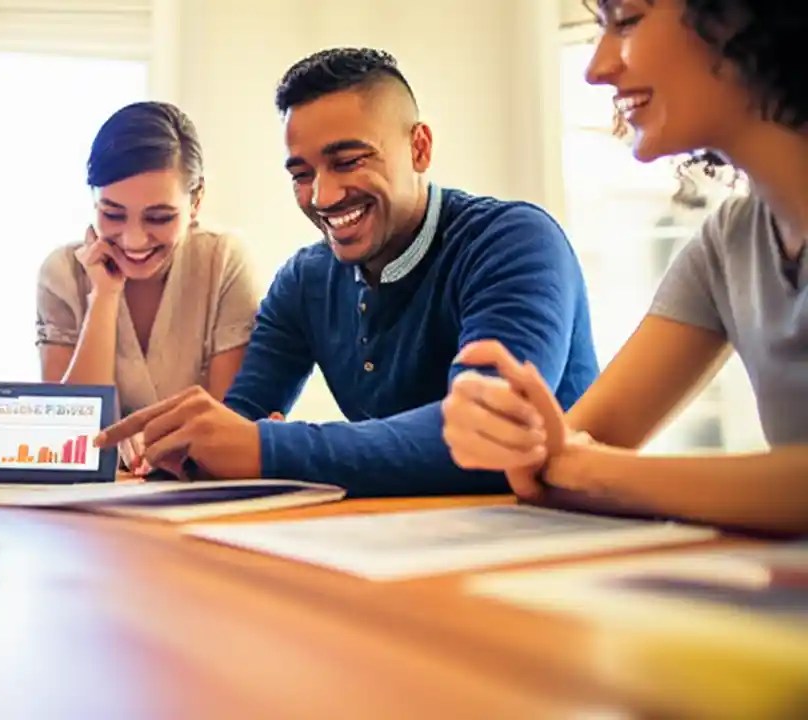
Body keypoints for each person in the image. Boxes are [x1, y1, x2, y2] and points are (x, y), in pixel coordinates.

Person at [95, 48, 598, 494]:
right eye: (302, 174)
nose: (323, 196)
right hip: (408, 544)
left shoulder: (513, 241)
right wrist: (185, 455)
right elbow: (239, 420)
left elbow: (487, 432)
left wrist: (267, 447)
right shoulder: (304, 281)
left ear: (419, 148)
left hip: (557, 537)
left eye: (349, 161)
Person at [441, 0, 808, 534]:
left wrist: (598, 469)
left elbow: (588, 463)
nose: (597, 67)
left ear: (744, 17)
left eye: (628, 20)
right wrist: (518, 438)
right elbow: (557, 465)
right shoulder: (729, 243)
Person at [36, 101, 259, 473]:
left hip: (200, 492)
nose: (135, 240)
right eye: (112, 214)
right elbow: (71, 437)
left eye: (159, 217)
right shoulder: (62, 272)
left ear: (197, 200)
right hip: (95, 501)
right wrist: (104, 298)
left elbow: (224, 428)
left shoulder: (223, 261)